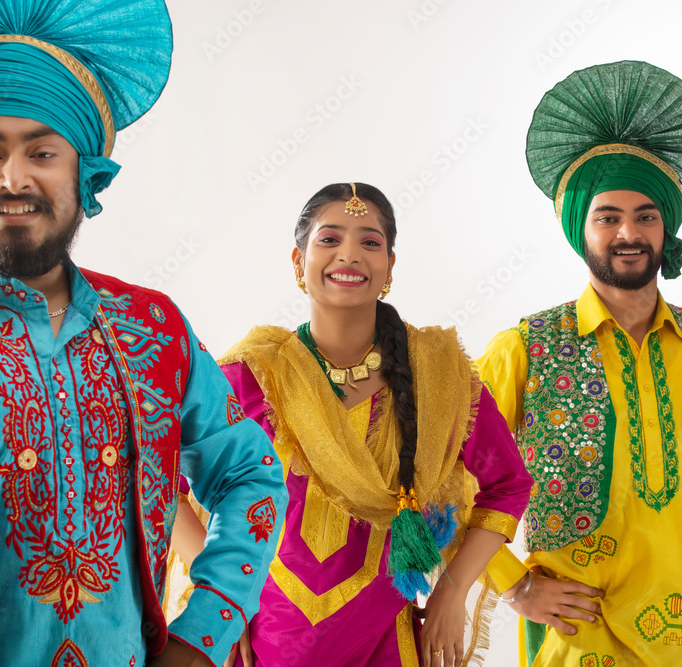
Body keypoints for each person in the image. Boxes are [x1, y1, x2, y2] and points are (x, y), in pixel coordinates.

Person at [0, 1, 286, 665]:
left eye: (42, 150)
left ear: (80, 173)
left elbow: (252, 474)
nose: (14, 177)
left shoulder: (153, 326)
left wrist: (201, 636)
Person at [477, 61, 682, 666]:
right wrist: (512, 583)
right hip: (574, 640)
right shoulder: (526, 348)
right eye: (607, 216)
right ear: (581, 229)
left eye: (646, 214)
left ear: (666, 225)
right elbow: (447, 472)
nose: (628, 232)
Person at [212, 182, 531, 667]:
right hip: (264, 638)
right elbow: (162, 477)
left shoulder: (436, 377)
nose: (349, 254)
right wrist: (218, 598)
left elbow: (507, 484)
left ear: (389, 267)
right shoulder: (254, 376)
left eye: (370, 241)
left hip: (385, 640)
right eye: (329, 239)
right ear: (298, 261)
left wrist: (450, 590)